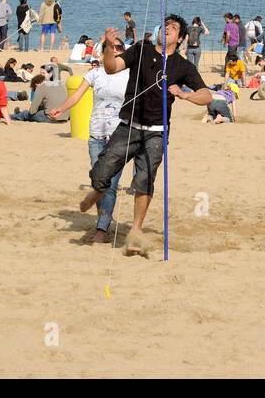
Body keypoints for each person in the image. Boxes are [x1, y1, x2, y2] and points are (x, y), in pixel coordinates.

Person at [80, 17, 212, 255]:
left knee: (144, 180)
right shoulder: (142, 48)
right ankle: (97, 191)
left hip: (157, 133)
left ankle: (135, 232)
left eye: (172, 29)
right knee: (102, 171)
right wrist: (109, 47)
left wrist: (184, 95)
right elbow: (111, 68)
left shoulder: (182, 66)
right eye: (165, 26)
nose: (167, 29)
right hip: (129, 125)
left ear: (180, 38)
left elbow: (206, 96)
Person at [49, 45, 131, 241]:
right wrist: (60, 109)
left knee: (109, 183)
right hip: (96, 135)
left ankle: (101, 230)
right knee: (98, 182)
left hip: (119, 136)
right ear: (102, 54)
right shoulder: (95, 73)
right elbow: (76, 96)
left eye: (119, 48)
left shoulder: (129, 74)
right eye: (110, 49)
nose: (115, 51)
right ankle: (102, 221)